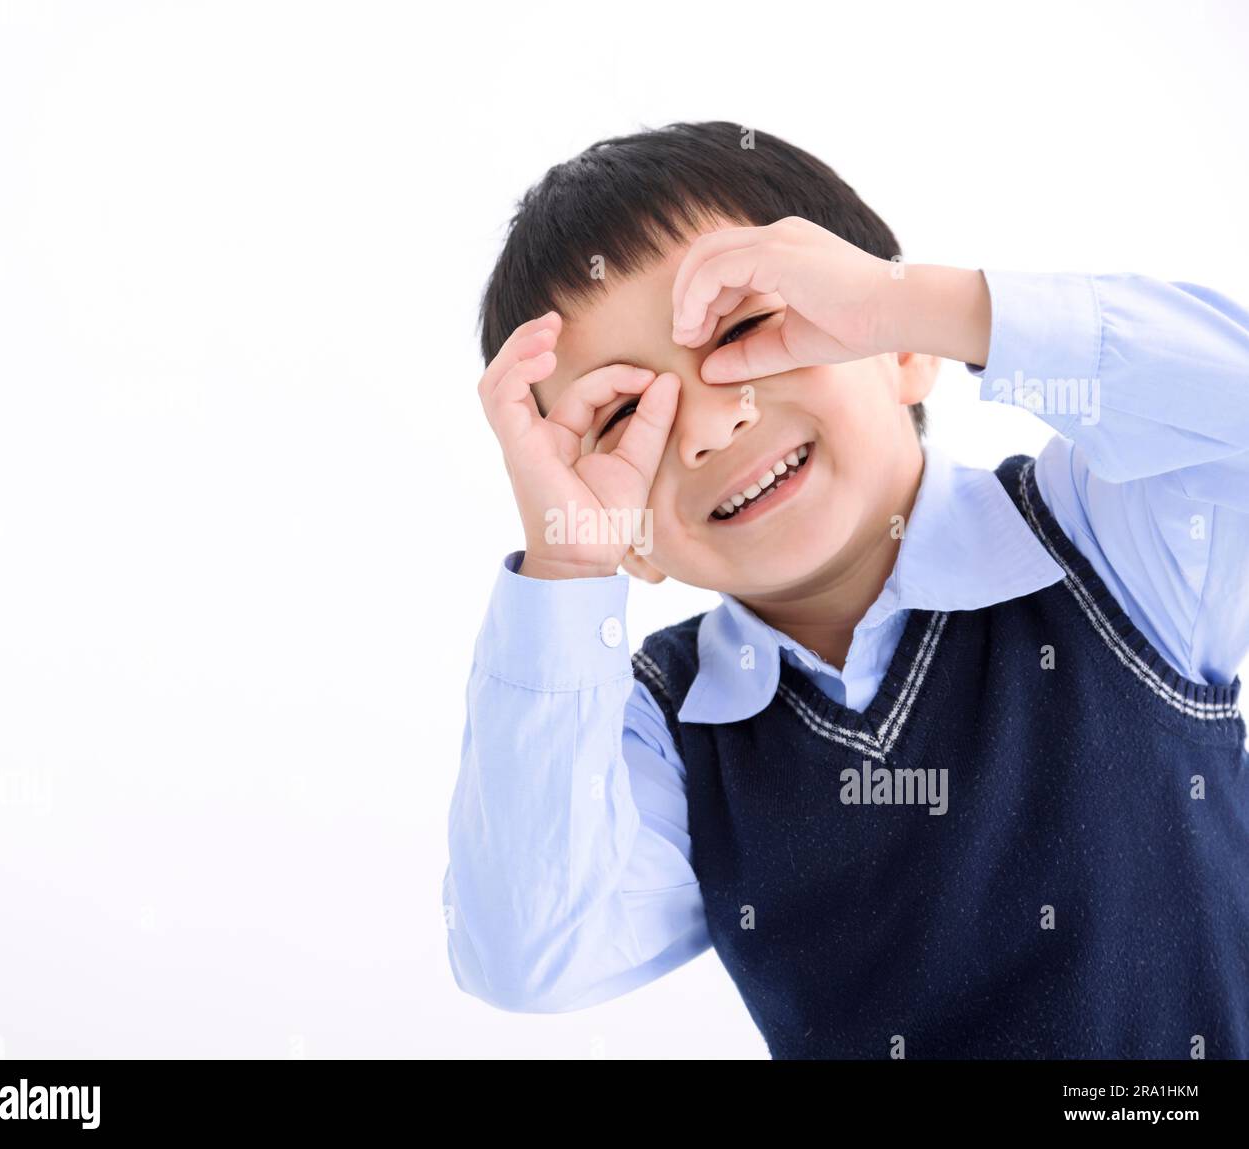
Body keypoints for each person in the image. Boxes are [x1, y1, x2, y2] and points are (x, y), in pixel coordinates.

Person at [443, 120, 1249, 1058]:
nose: (707, 425)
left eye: (745, 330)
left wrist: (938, 305)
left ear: (903, 350)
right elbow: (526, 952)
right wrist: (567, 562)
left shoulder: (1107, 544)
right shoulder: (665, 734)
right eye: (628, 415)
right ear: (631, 545)